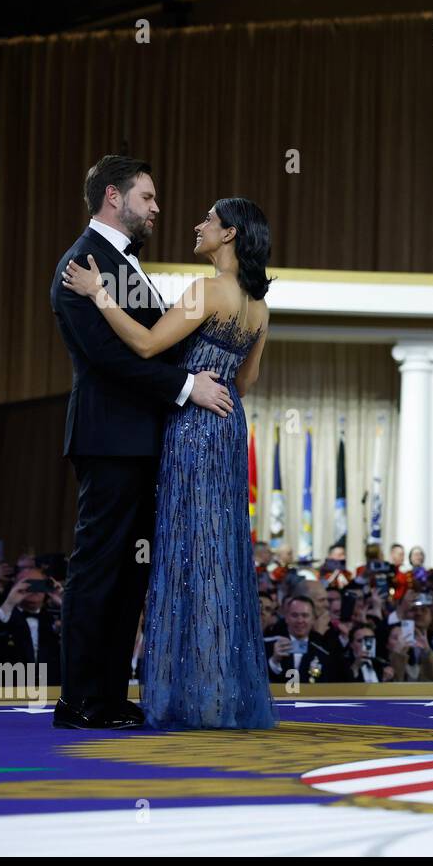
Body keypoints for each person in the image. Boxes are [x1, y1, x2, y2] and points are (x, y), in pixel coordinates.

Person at [62, 184, 278, 730]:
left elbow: (143, 345)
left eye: (208, 219)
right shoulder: (259, 305)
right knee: (220, 555)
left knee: (187, 555)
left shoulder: (208, 291)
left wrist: (98, 292)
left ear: (229, 233)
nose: (197, 224)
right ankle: (221, 694)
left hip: (191, 432)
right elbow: (246, 382)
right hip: (228, 427)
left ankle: (184, 694)